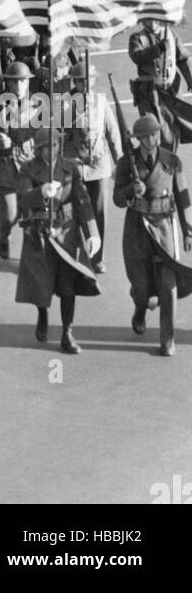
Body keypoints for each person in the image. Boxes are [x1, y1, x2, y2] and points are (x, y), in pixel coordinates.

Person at [15, 126, 100, 354]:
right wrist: (41, 192)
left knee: (67, 282)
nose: (51, 151)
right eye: (45, 147)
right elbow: (23, 199)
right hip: (39, 231)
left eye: (54, 145)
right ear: (38, 149)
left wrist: (92, 232)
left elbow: (82, 201)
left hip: (66, 231)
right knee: (41, 282)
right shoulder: (28, 169)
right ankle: (42, 313)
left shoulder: (70, 168)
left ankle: (67, 332)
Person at [113, 115, 192, 356]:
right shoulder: (127, 162)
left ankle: (167, 339)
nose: (151, 139)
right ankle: (140, 307)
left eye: (154, 133)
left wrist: (188, 231)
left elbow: (183, 197)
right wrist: (131, 190)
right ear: (138, 139)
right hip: (137, 228)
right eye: (145, 136)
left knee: (168, 286)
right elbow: (117, 199)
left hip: (165, 226)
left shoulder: (171, 160)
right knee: (142, 286)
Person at [61, 61, 122, 273]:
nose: (84, 85)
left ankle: (97, 257)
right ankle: (71, 253)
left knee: (98, 211)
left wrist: (119, 161)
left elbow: (112, 133)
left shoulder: (101, 102)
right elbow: (55, 135)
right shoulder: (64, 104)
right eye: (80, 81)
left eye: (87, 80)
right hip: (74, 164)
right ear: (74, 82)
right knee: (73, 212)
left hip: (99, 164)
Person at [0, 61, 38, 259]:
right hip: (5, 168)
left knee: (30, 214)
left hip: (29, 166)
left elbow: (46, 136)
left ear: (28, 82)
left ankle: (29, 253)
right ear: (8, 84)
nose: (19, 86)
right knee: (9, 217)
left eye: (22, 81)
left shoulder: (38, 105)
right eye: (14, 82)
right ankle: (4, 237)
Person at [128, 19, 192, 147]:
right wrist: (158, 48)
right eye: (149, 19)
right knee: (151, 130)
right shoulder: (137, 38)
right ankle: (153, 157)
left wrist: (189, 79)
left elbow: (181, 59)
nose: (152, 22)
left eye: (155, 18)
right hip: (149, 93)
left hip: (171, 91)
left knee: (171, 134)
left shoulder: (170, 34)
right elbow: (137, 56)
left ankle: (167, 158)